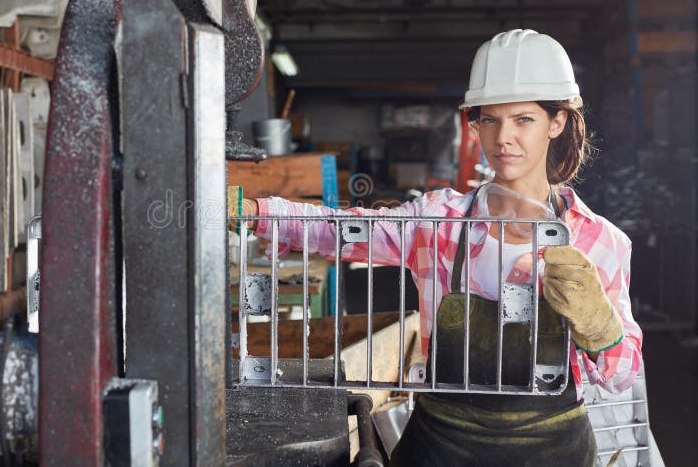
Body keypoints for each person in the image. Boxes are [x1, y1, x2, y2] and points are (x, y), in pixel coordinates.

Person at [237, 29, 642, 466]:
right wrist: (255, 209)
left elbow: (621, 377)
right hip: (444, 441)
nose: (503, 137)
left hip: (551, 447)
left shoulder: (598, 240)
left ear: (556, 122)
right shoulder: (439, 222)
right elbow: (341, 231)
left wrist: (601, 329)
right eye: (490, 119)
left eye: (523, 119)